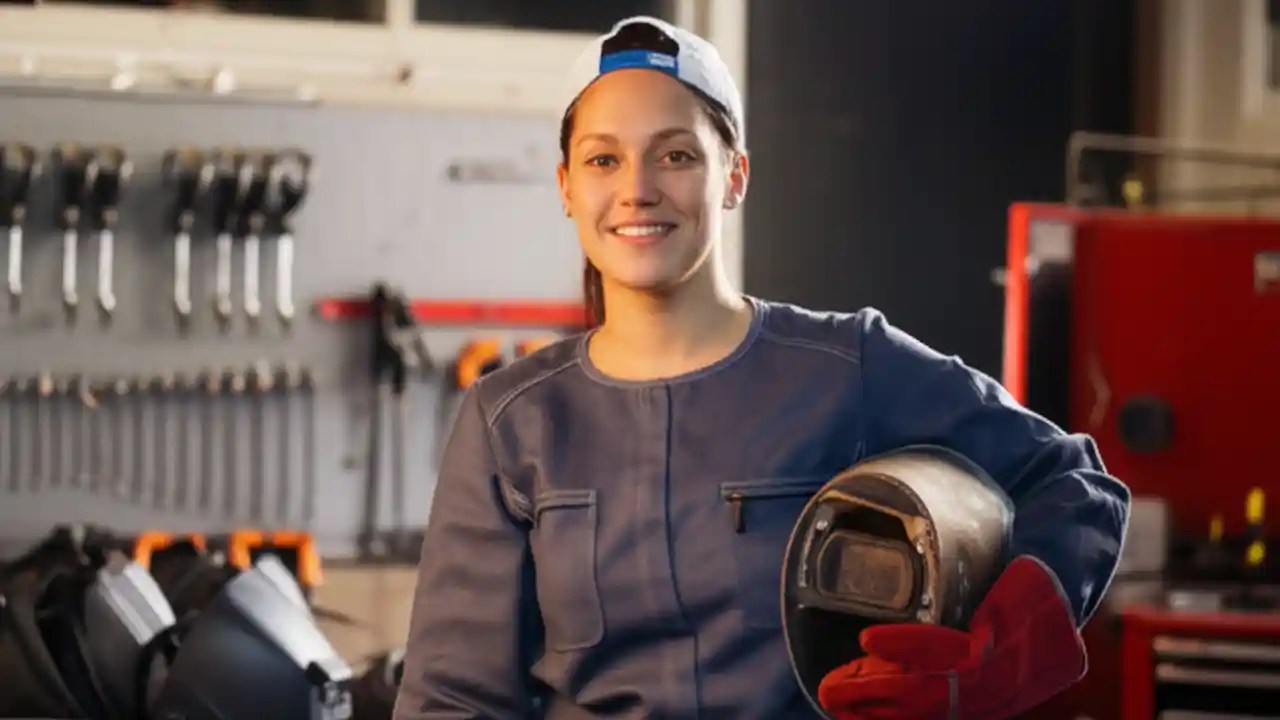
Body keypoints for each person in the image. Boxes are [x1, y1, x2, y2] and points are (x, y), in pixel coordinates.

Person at [392, 15, 1130, 720]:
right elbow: (454, 700)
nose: (637, 187)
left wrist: (989, 661)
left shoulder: (847, 368)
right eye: (603, 159)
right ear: (566, 187)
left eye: (676, 154)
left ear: (735, 175)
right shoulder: (509, 422)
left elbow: (1076, 485)